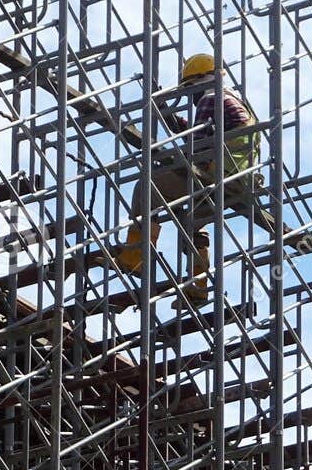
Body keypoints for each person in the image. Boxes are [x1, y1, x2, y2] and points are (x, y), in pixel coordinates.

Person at [114, 53, 300, 304]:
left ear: (204, 80)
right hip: (236, 178)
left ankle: (136, 257)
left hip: (214, 172)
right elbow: (203, 135)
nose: (190, 96)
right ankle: (197, 288)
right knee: (191, 223)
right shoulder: (234, 100)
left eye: (190, 88)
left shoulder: (210, 99)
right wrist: (170, 119)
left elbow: (196, 145)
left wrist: (173, 144)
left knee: (147, 187)